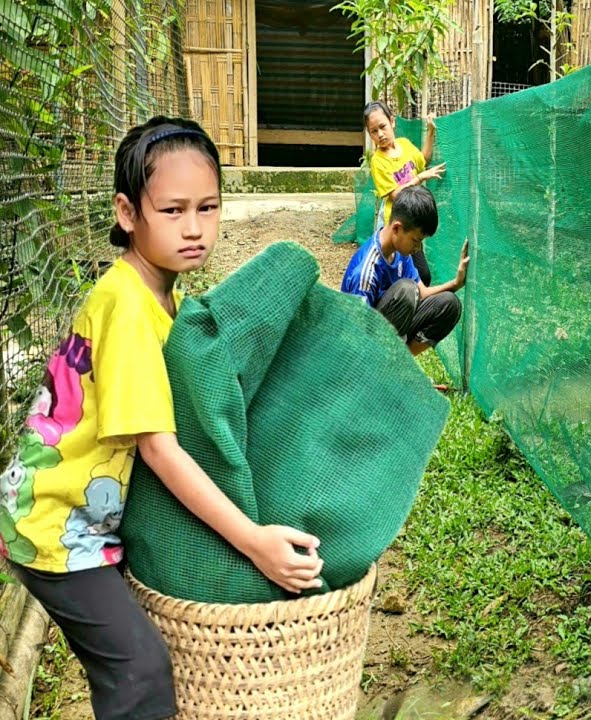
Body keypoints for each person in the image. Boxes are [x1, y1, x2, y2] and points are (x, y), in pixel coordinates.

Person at [0, 117, 324, 720]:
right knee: (140, 671)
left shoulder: (156, 294)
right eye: (173, 211)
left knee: (128, 661)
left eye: (208, 207)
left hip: (83, 518)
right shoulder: (125, 308)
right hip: (53, 530)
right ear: (128, 212)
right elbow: (160, 449)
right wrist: (255, 543)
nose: (195, 228)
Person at [340, 185, 467, 355]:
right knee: (407, 290)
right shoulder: (366, 272)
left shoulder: (400, 252)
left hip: (388, 334)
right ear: (397, 228)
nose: (417, 248)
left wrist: (456, 283)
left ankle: (400, 365)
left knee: (449, 304)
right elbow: (355, 335)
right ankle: (385, 369)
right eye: (415, 240)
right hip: (362, 346)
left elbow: (422, 293)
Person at [364, 101, 444, 281]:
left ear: (392, 122)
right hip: (397, 227)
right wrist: (420, 178)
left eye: (383, 127)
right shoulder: (378, 161)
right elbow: (396, 195)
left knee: (422, 275)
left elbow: (423, 159)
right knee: (397, 275)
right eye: (374, 131)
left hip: (414, 220)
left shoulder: (405, 145)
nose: (380, 134)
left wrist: (431, 131)